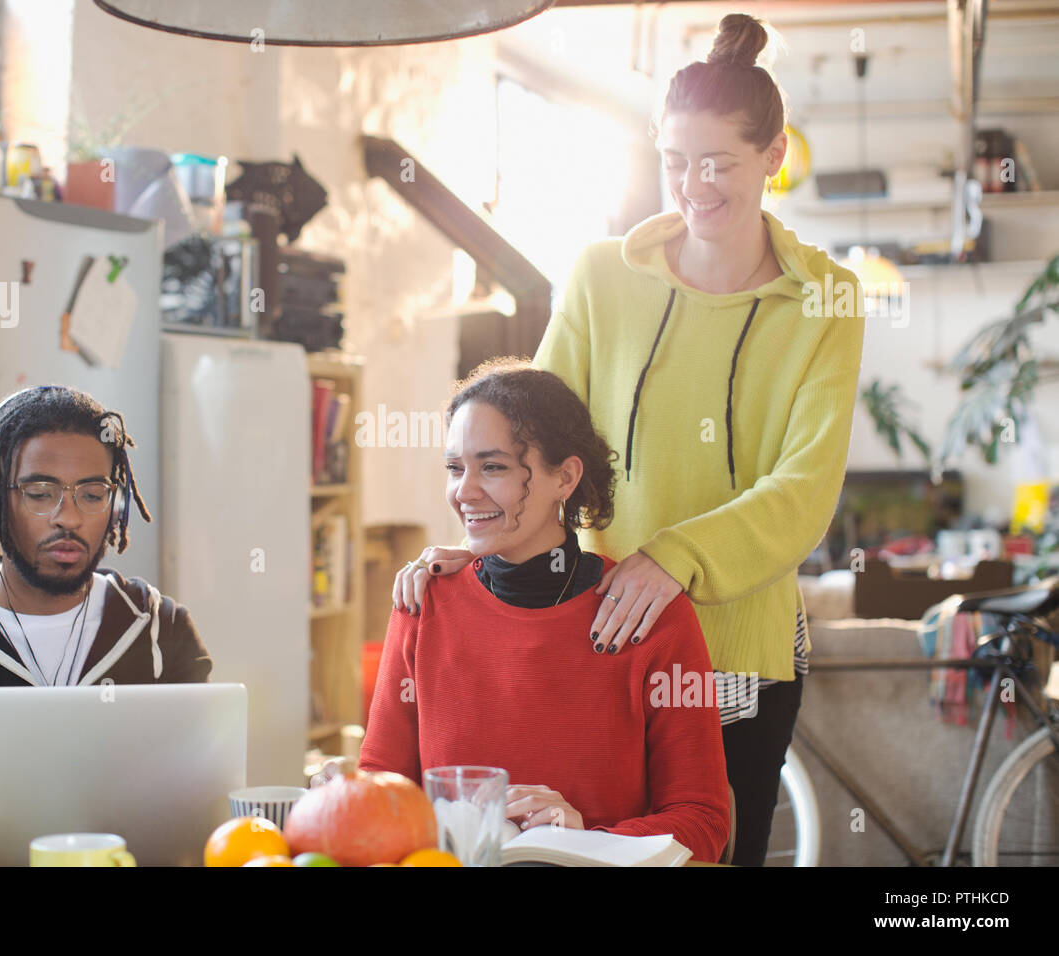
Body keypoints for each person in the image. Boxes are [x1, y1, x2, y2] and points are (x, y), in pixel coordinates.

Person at [393, 14, 864, 866]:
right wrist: (483, 536)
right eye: (675, 162)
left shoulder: (825, 298)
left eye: (718, 162)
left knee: (708, 849)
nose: (694, 186)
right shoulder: (600, 276)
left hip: (738, 646)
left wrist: (676, 555)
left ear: (775, 155)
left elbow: (805, 488)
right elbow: (528, 430)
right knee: (583, 846)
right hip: (598, 636)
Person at [362, 360, 730, 863]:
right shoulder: (424, 604)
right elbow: (378, 791)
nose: (464, 491)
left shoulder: (654, 617)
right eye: (455, 467)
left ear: (566, 477)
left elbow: (703, 822)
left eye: (493, 467)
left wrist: (582, 838)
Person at [0, 385, 213, 866]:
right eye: (40, 492)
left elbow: (202, 823)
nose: (67, 517)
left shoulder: (160, 632)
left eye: (92, 494)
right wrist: (28, 805)